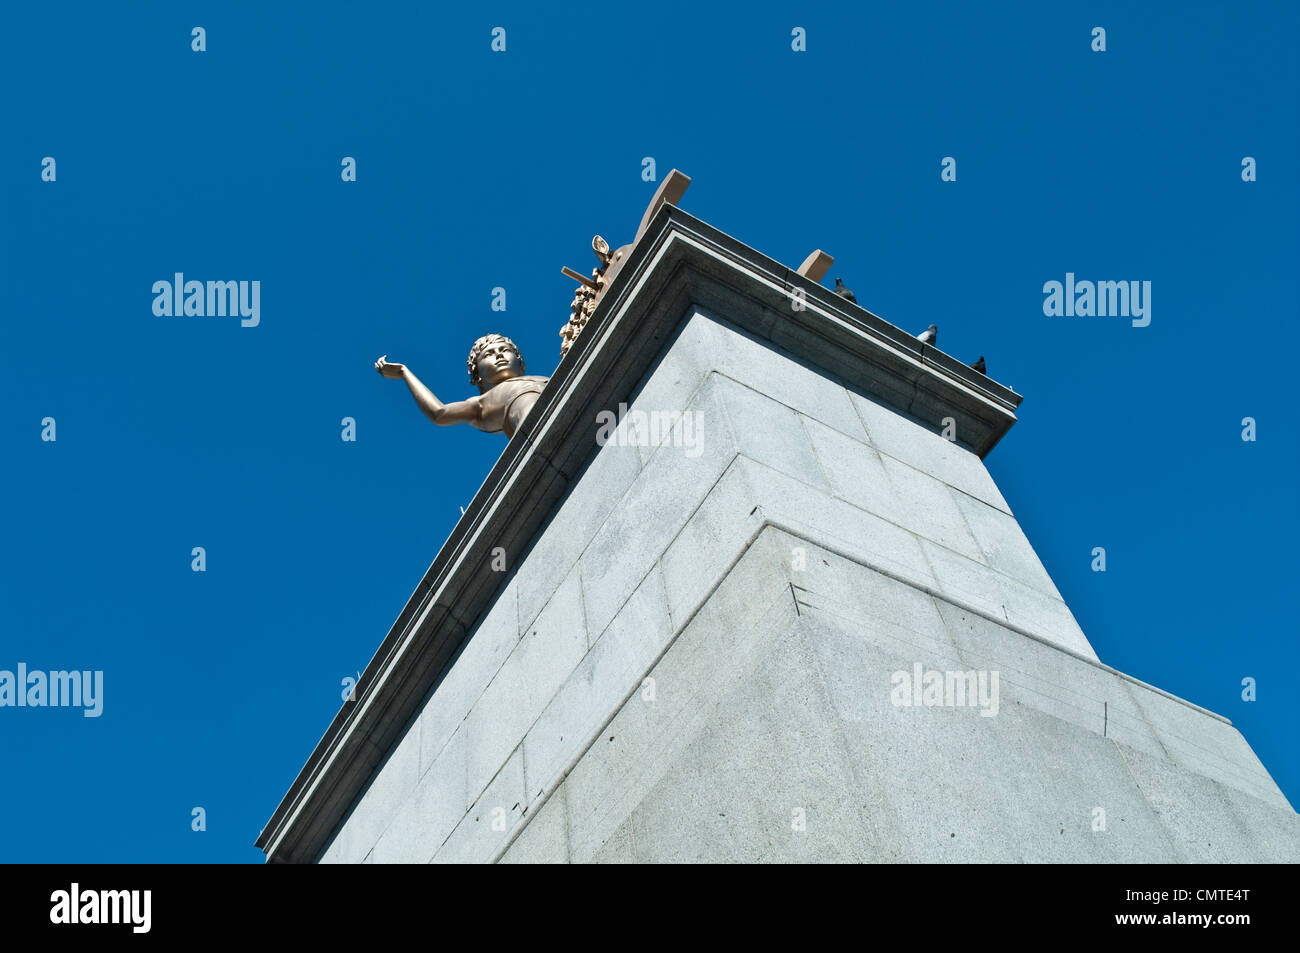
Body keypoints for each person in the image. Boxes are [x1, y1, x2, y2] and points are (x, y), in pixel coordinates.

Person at [375, 334, 548, 439]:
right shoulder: (481, 403)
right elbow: (439, 414)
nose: (500, 355)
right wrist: (404, 373)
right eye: (489, 354)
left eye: (505, 350)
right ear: (477, 375)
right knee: (527, 402)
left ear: (520, 362)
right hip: (535, 427)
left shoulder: (544, 378)